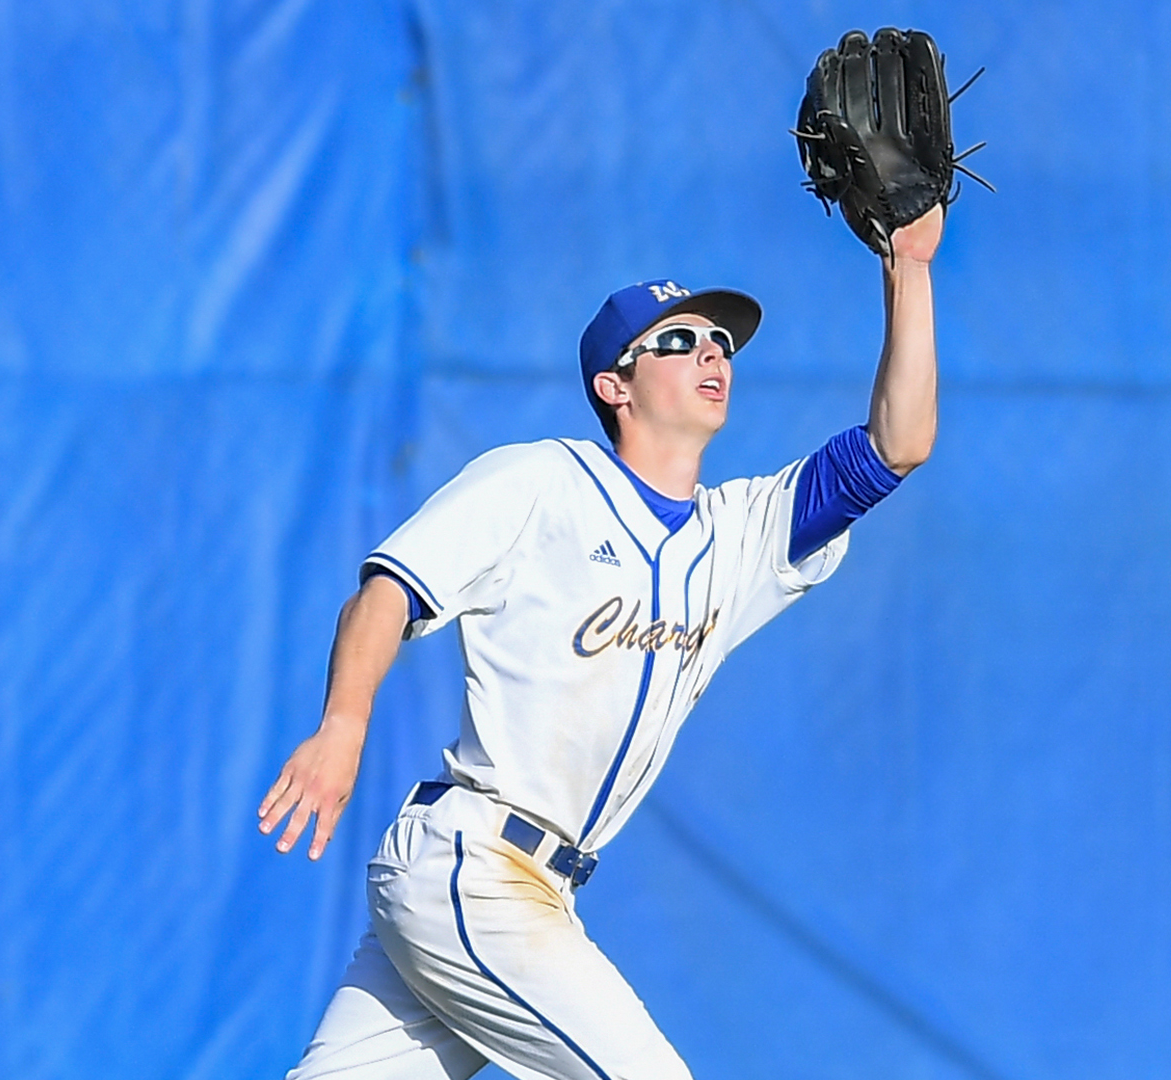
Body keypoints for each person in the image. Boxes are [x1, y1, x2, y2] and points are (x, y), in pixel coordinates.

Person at [258, 205, 945, 1080]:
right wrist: (344, 725)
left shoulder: (740, 536)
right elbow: (389, 591)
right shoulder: (542, 481)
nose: (713, 353)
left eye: (722, 343)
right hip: (474, 869)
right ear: (614, 386)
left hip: (535, 892)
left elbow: (897, 446)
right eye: (681, 339)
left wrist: (910, 271)